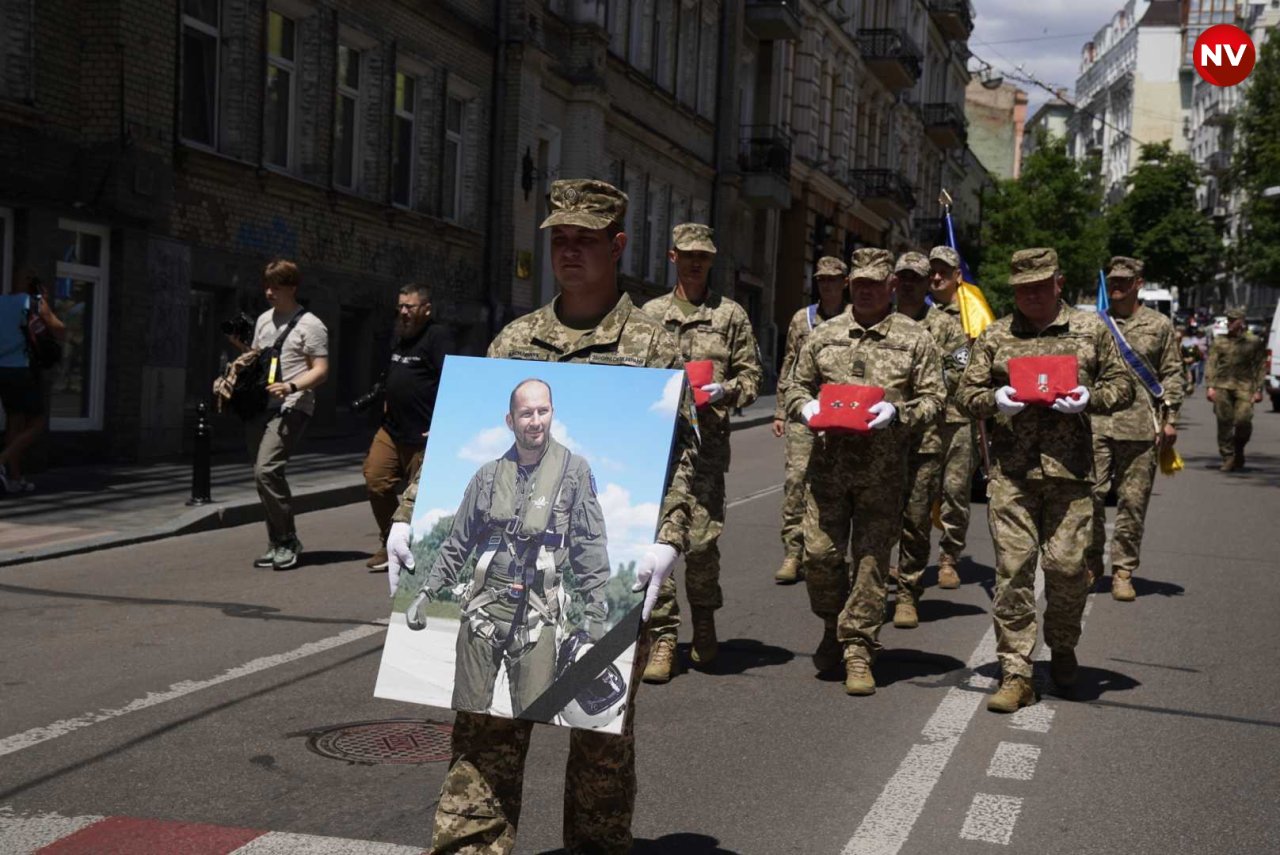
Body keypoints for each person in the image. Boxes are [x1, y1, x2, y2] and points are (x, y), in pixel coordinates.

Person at [385, 178, 696, 855]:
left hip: (584, 586)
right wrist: (409, 515)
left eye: (586, 239)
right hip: (501, 592)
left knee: (599, 747)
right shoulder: (514, 341)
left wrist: (668, 540)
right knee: (483, 737)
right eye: (561, 238)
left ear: (618, 245)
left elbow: (679, 461)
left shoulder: (653, 346)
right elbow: (459, 463)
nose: (570, 251)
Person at [957, 248, 1133, 713]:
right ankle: (1016, 672)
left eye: (1040, 285)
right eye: (1022, 288)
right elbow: (964, 395)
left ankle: (1063, 645)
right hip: (1011, 476)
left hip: (1072, 476)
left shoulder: (1091, 330)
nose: (1031, 294)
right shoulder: (995, 335)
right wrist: (995, 399)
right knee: (1013, 572)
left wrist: (1088, 398)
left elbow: (1124, 387)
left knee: (1067, 571)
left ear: (1058, 282)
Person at [785, 248, 945, 696]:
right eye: (860, 284)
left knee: (872, 564)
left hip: (884, 473)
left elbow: (935, 400)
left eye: (877, 283)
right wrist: (805, 407)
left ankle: (858, 649)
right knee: (820, 558)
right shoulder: (825, 335)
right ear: (851, 285)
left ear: (891, 285)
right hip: (828, 471)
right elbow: (796, 386)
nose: (868, 290)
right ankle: (831, 624)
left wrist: (898, 414)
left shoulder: (916, 339)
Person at [402, 378, 610, 718]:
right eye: (526, 413)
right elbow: (458, 542)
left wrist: (595, 612)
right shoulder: (487, 476)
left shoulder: (574, 472)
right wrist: (426, 593)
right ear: (510, 420)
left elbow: (590, 547)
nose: (536, 421)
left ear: (552, 413)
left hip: (538, 618)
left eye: (543, 411)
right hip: (482, 613)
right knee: (468, 716)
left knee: (535, 716)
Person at [640, 223, 761, 682]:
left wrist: (725, 390)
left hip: (707, 448)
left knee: (703, 544)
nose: (695, 263)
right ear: (672, 256)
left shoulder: (729, 316)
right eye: (688, 255)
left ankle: (704, 620)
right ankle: (665, 637)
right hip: (659, 447)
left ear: (712, 261)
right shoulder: (649, 314)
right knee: (660, 541)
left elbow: (753, 378)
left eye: (703, 257)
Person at [1085, 257, 1184, 601]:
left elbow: (1172, 374)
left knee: (1132, 502)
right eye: (1113, 280)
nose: (1117, 286)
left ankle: (1123, 570)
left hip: (1140, 427)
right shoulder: (1095, 324)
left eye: (1125, 281)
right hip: (1095, 424)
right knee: (1089, 497)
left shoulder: (1158, 325)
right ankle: (1091, 562)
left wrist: (1171, 419)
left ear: (1138, 283)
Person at [228, 259, 329, 570]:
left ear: (292, 288)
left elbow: (322, 370)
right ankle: (276, 542)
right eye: (266, 285)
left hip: (293, 406)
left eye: (276, 286)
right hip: (260, 406)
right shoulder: (263, 320)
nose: (269, 292)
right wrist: (236, 362)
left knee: (267, 470)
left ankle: (287, 541)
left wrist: (291, 385)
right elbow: (257, 359)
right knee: (263, 477)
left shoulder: (311, 325)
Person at [889, 251, 967, 628]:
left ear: (926, 285)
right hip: (878, 441)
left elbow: (958, 371)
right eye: (902, 278)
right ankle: (870, 588)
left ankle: (908, 592)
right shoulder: (879, 321)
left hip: (924, 438)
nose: (908, 284)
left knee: (917, 519)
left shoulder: (946, 326)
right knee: (877, 518)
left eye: (916, 279)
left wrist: (912, 388)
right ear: (894, 282)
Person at [362, 283, 454, 570]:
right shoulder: (400, 335)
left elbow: (452, 378)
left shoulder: (437, 337)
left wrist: (444, 421)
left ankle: (422, 556)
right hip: (391, 429)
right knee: (375, 479)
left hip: (423, 433)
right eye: (400, 306)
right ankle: (390, 540)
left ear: (426, 309)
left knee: (421, 501)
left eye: (409, 307)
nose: (403, 312)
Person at [771, 256, 848, 584]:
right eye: (822, 280)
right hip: (804, 411)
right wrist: (779, 409)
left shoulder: (852, 318)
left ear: (844, 282)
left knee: (843, 484)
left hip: (844, 413)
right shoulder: (803, 320)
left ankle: (838, 550)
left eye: (833, 280)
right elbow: (788, 365)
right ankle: (793, 552)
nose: (827, 285)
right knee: (796, 480)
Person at [927, 245, 977, 589]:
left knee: (955, 491)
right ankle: (906, 557)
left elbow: (967, 368)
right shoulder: (913, 312)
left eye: (944, 270)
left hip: (957, 417)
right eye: (932, 270)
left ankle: (948, 558)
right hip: (921, 418)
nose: (936, 276)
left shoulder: (973, 313)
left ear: (958, 276)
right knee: (912, 492)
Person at [0, 270, 65, 494]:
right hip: (23, 370)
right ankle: (2, 460)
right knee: (37, 423)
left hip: (3, 371)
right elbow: (59, 329)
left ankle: (15, 479)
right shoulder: (34, 301)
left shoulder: (1, 302)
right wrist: (43, 304)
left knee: (14, 422)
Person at [1205, 307, 1267, 471]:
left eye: (1233, 320)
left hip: (1245, 387)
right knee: (1224, 423)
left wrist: (1259, 389)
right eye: (1229, 320)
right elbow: (1211, 364)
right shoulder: (1219, 341)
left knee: (1243, 422)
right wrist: (1210, 387)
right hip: (1222, 386)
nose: (1230, 323)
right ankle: (1228, 456)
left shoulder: (1253, 342)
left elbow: (1260, 366)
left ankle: (1238, 449)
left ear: (1241, 321)